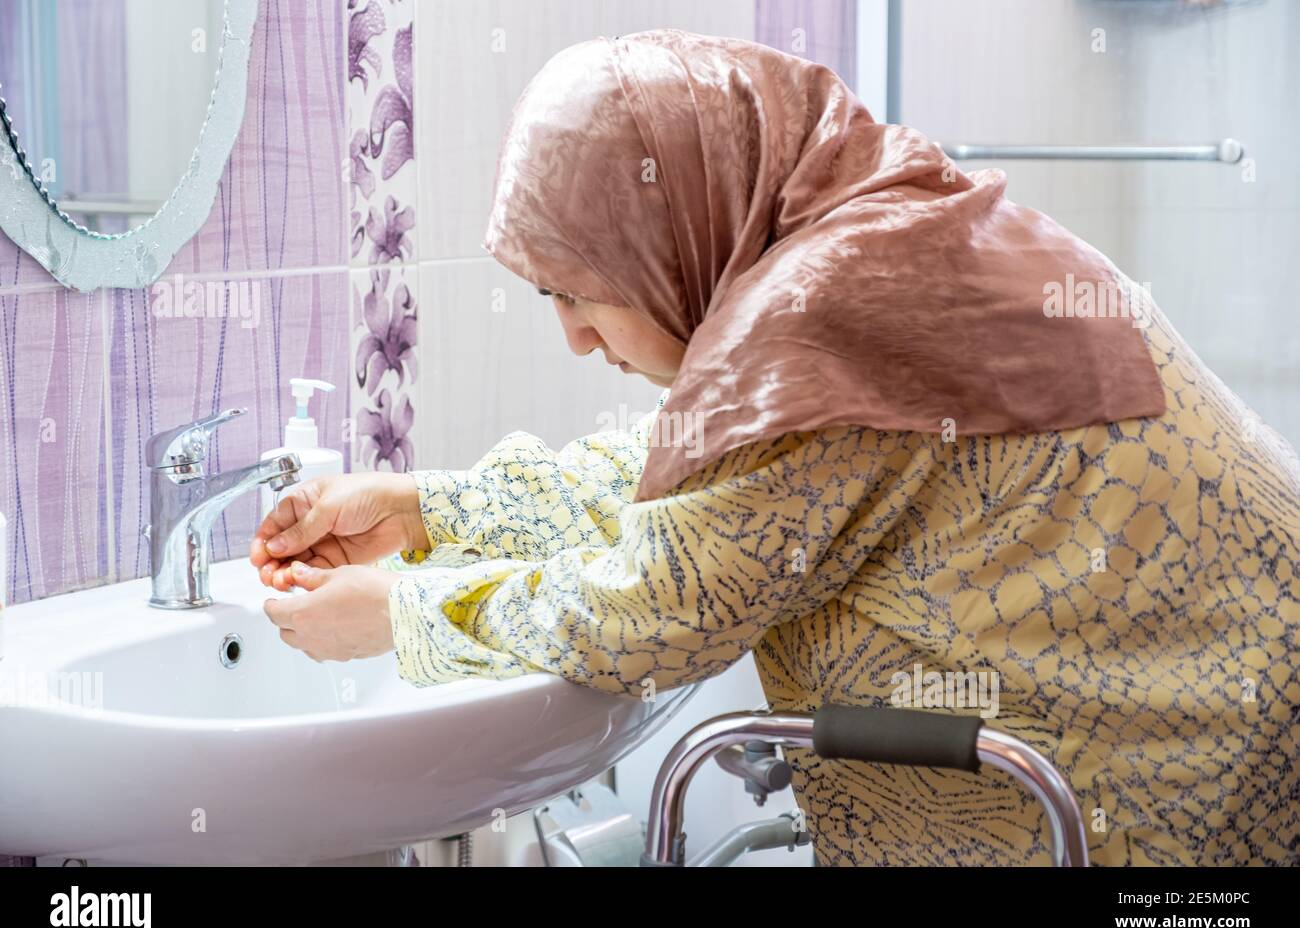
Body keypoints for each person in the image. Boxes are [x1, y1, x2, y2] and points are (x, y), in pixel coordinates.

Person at [254, 30, 1299, 865]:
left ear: (662, 234)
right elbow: (730, 485)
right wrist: (432, 509)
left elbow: (657, 607)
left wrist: (400, 613)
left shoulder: (824, 309)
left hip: (1182, 759)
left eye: (580, 291)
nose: (571, 335)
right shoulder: (860, 232)